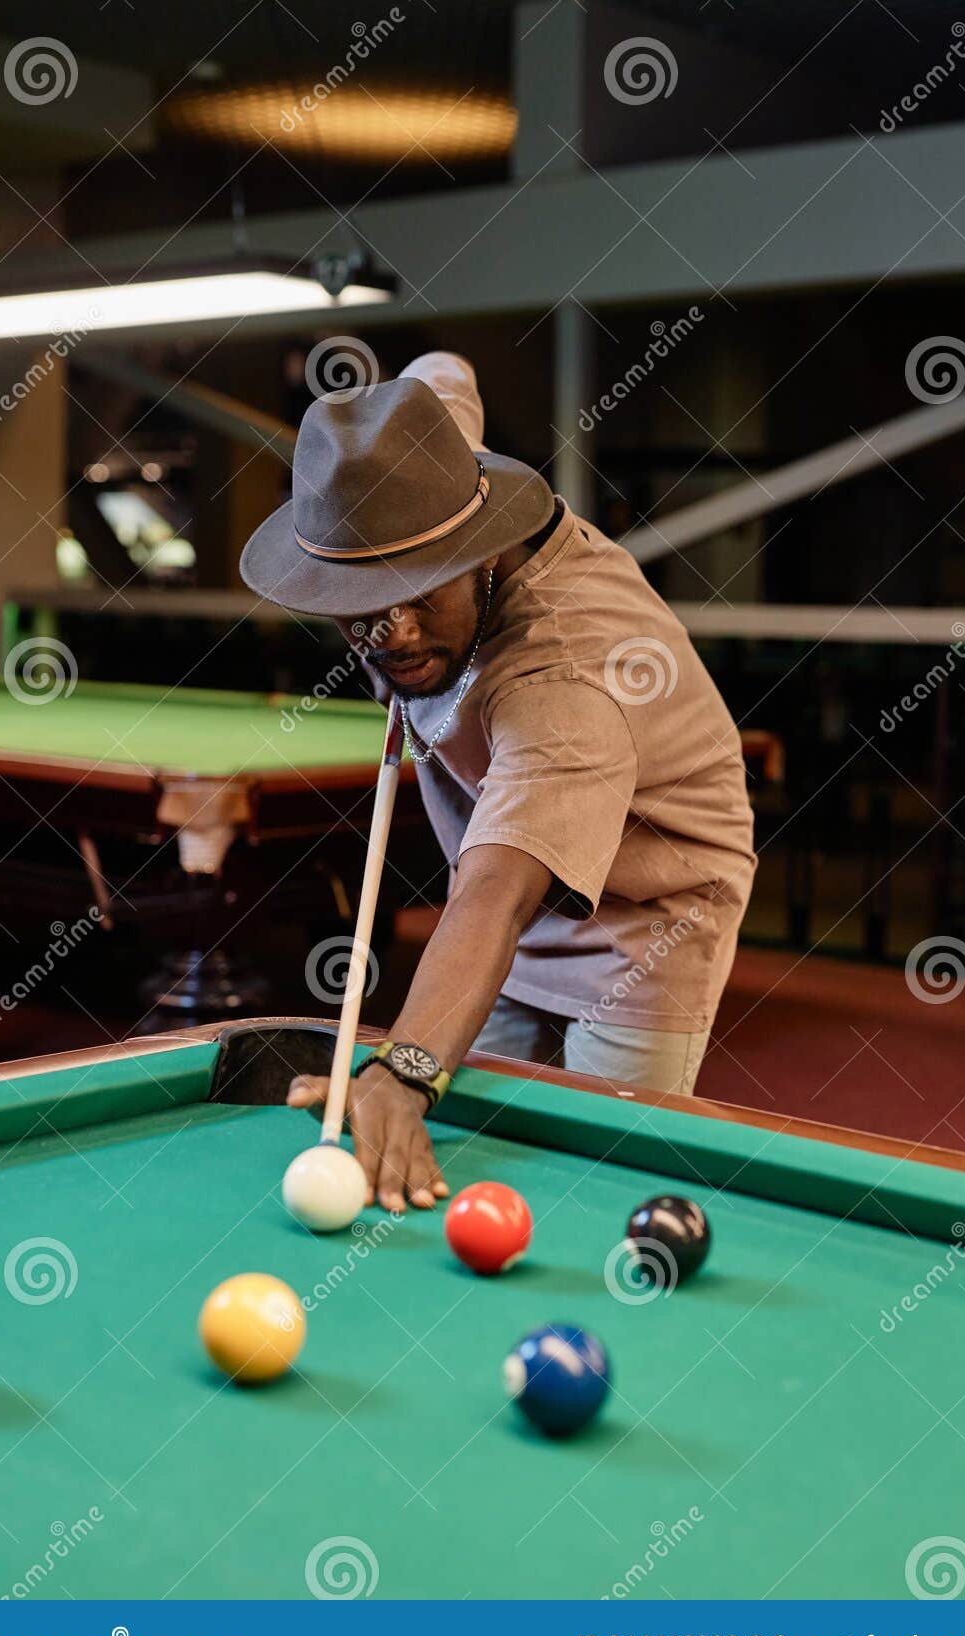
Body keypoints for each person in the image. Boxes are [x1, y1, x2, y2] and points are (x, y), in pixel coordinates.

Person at [241, 352, 755, 1212]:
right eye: (359, 600)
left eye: (417, 594)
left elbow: (492, 898)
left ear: (475, 550)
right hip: (514, 926)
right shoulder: (429, 483)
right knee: (474, 1157)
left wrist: (402, 1069)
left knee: (597, 1191)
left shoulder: (565, 676)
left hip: (649, 918)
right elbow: (445, 378)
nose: (393, 631)